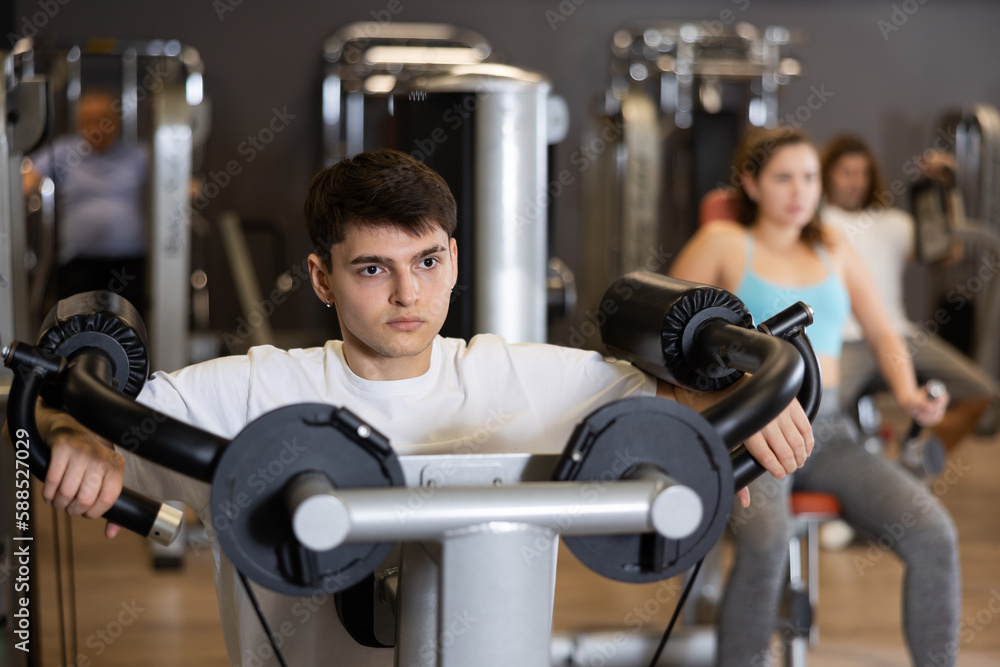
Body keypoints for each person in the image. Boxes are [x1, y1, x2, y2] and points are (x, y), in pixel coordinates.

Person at [4, 149, 812, 667]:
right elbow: (82, 408)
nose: (408, 292)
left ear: (454, 259)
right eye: (372, 269)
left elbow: (670, 404)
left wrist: (736, 395)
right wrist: (79, 435)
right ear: (322, 279)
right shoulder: (255, 388)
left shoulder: (518, 378)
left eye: (427, 260)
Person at [669, 127, 959, 666]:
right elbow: (668, 334)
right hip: (754, 433)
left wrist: (909, 393)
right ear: (751, 183)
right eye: (783, 177)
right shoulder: (723, 243)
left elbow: (882, 332)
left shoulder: (832, 247)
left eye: (809, 178)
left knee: (933, 534)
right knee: (765, 547)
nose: (800, 191)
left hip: (829, 434)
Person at [821, 134, 999, 453]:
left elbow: (949, 251)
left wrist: (944, 187)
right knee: (819, 413)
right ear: (826, 175)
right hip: (842, 340)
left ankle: (920, 460)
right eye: (846, 172)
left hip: (898, 337)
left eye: (862, 172)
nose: (855, 181)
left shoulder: (894, 223)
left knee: (980, 392)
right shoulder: (814, 222)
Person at [24, 89, 150, 315]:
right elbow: (28, 176)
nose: (96, 128)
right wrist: (28, 185)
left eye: (103, 121)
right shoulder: (63, 152)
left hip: (127, 261)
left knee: (128, 327)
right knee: (75, 326)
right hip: (78, 260)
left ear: (116, 122)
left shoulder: (137, 154)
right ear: (78, 123)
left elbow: (174, 180)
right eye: (88, 121)